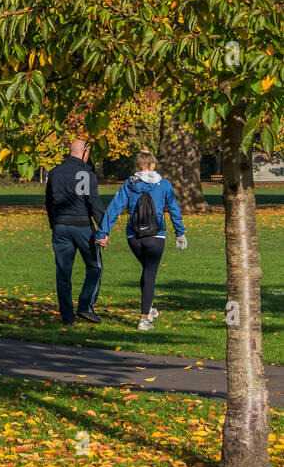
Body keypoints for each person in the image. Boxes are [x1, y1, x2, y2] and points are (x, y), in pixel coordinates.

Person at [96, 151, 187, 330]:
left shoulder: (129, 184)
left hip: (134, 236)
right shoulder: (164, 184)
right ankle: (144, 318)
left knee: (147, 271)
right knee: (150, 273)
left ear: (137, 166)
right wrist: (180, 232)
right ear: (153, 165)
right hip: (156, 235)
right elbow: (174, 209)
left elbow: (114, 208)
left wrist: (103, 232)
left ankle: (149, 307)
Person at [45, 138, 107, 325]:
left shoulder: (55, 173)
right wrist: (103, 229)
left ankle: (67, 316)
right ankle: (85, 306)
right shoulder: (86, 172)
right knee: (95, 267)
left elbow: (49, 202)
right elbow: (93, 202)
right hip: (82, 226)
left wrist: (53, 224)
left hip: (61, 227)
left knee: (63, 273)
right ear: (85, 152)